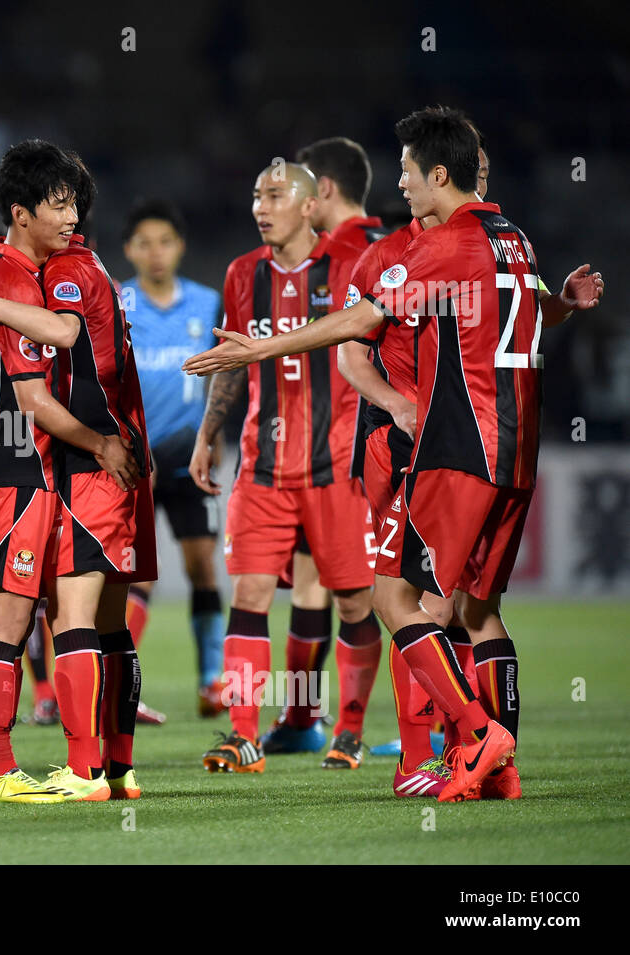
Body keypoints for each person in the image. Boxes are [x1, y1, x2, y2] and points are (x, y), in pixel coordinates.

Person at [185, 105, 604, 801]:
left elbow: (358, 324)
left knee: (400, 600)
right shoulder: (511, 238)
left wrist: (263, 346)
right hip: (514, 453)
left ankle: (468, 740)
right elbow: (524, 303)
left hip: (455, 448)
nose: (401, 184)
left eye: (409, 172)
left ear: (440, 174)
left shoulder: (435, 248)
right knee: (477, 609)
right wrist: (562, 302)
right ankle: (497, 765)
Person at [0, 152, 152, 800]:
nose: (71, 217)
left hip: (76, 463)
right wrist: (102, 441)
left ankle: (79, 769)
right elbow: (32, 400)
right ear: (21, 212)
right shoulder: (23, 277)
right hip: (23, 463)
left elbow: (63, 341)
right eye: (58, 204)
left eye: (75, 204)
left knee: (69, 617)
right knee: (33, 619)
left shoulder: (40, 274)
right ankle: (12, 769)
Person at [188, 162, 379, 774]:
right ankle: (243, 734)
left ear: (309, 204)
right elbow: (231, 359)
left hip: (337, 467)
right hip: (262, 466)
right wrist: (206, 435)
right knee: (248, 593)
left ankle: (347, 730)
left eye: (274, 195)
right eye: (254, 195)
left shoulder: (350, 268)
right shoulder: (243, 273)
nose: (260, 206)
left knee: (354, 603)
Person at [118, 199, 225, 720]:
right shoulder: (118, 302)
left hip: (188, 457)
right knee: (137, 574)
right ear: (128, 250)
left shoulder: (207, 305)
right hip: (134, 460)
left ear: (180, 246)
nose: (155, 253)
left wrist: (217, 430)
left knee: (202, 567)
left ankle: (213, 680)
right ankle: (125, 684)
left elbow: (228, 371)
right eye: (144, 242)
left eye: (165, 241)